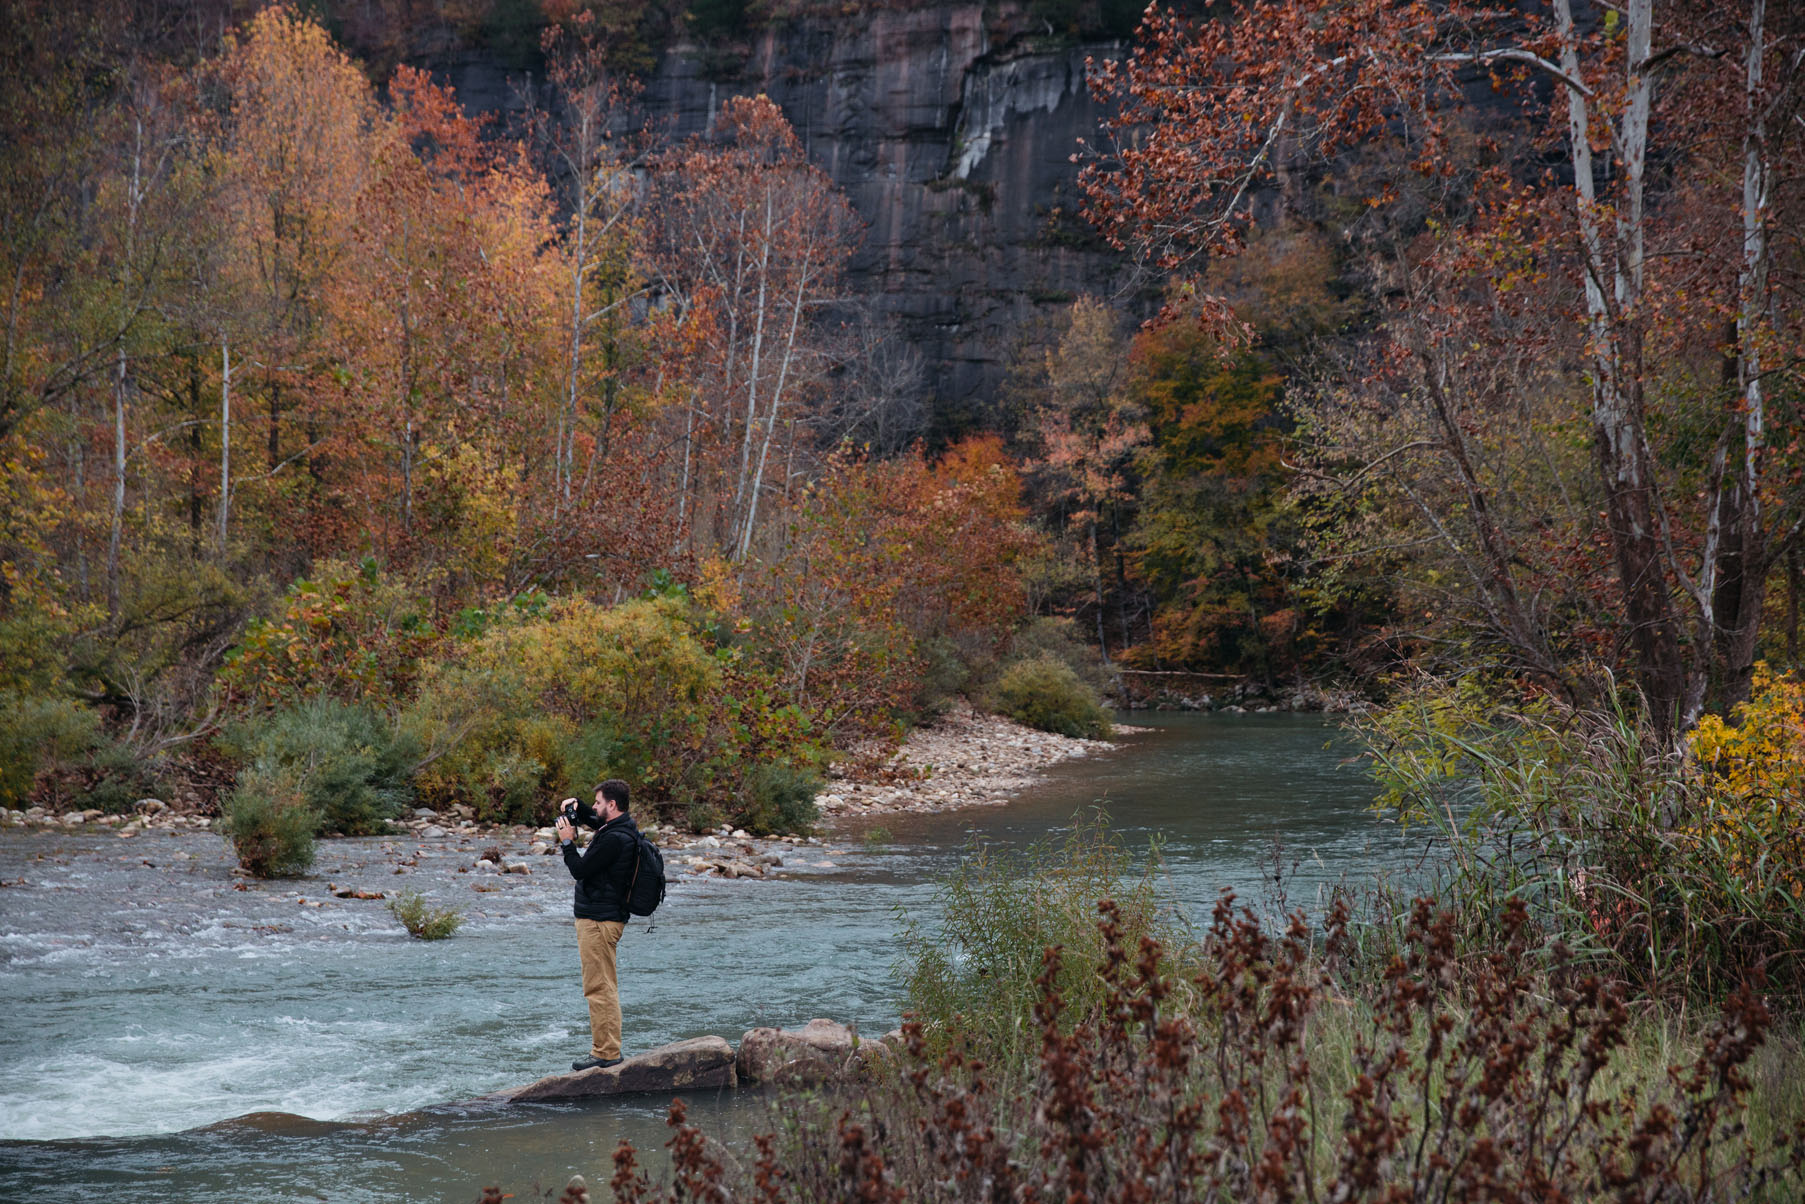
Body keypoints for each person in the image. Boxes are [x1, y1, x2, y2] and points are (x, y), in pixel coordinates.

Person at [554, 778, 641, 1071]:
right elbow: (599, 823)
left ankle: (605, 1053)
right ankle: (607, 1049)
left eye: (599, 802)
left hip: (598, 922)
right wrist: (578, 806)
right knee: (604, 986)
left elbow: (579, 870)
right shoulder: (622, 828)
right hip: (605, 918)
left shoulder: (613, 839)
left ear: (612, 805)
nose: (596, 807)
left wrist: (567, 840)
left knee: (598, 988)